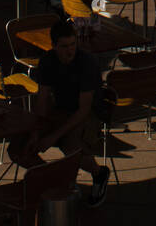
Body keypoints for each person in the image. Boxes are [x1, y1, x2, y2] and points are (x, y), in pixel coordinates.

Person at [10, 17, 108, 206]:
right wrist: (35, 131)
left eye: (72, 44)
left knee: (70, 145)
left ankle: (99, 173)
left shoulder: (86, 63)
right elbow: (42, 99)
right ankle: (54, 179)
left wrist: (52, 137)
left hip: (88, 114)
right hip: (61, 110)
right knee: (19, 148)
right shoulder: (47, 61)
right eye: (64, 46)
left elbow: (84, 110)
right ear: (54, 46)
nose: (70, 50)